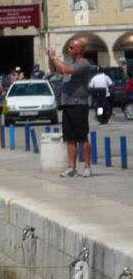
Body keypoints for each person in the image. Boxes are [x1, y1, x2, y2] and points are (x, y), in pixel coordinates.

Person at [49, 38, 96, 177]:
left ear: (79, 49)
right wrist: (50, 58)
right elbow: (55, 70)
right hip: (68, 104)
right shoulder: (70, 63)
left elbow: (65, 69)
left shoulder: (83, 64)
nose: (68, 50)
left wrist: (54, 57)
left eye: (70, 47)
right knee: (70, 138)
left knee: (82, 137)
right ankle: (72, 167)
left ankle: (87, 166)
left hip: (79, 104)